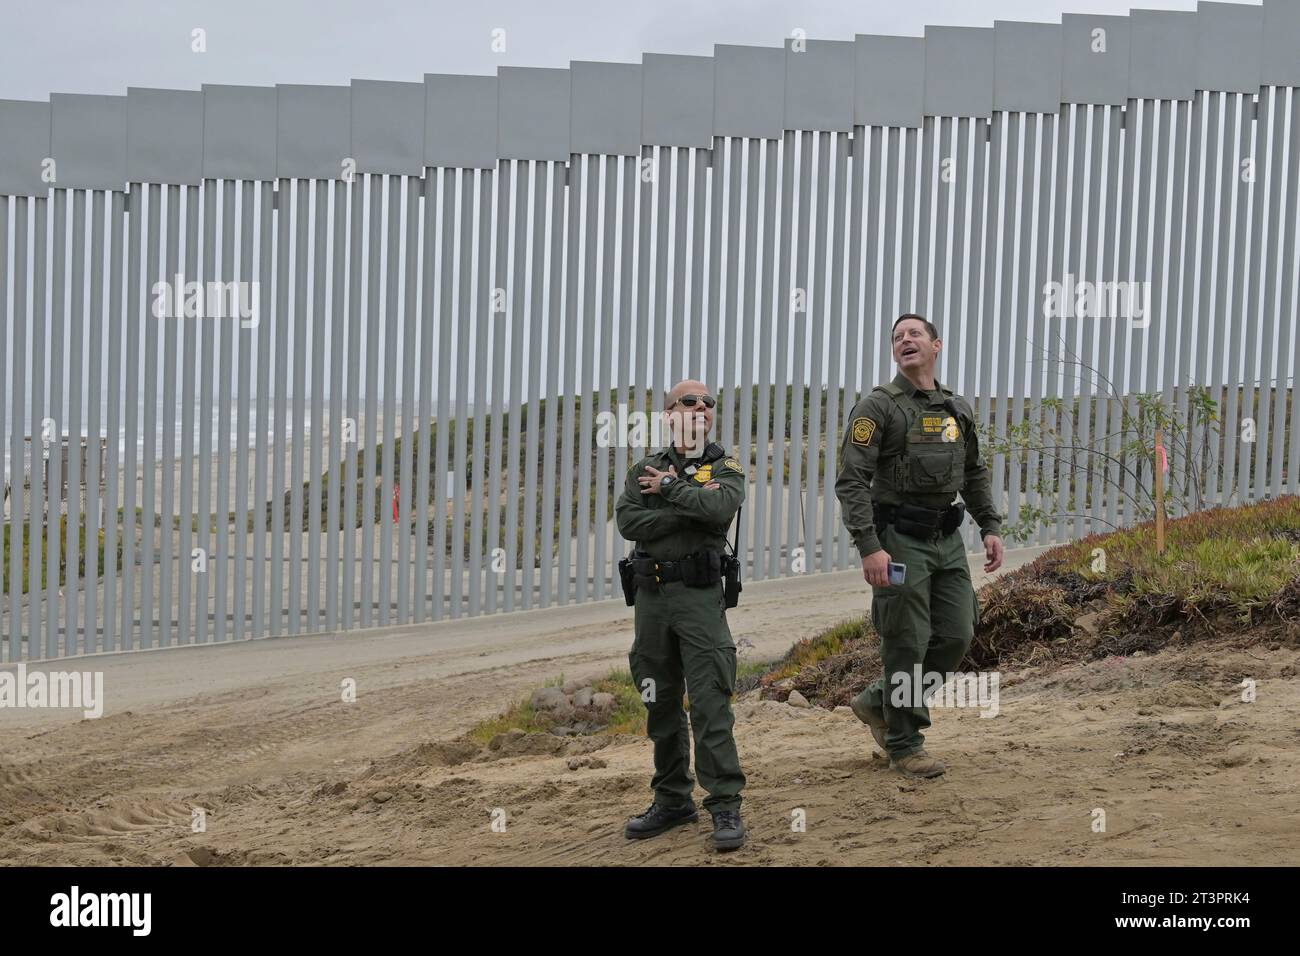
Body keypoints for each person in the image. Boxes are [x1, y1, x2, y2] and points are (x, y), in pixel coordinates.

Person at [835, 315, 1005, 778]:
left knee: (957, 633)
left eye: (914, 334)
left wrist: (989, 524)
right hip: (898, 542)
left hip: (946, 539)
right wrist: (869, 546)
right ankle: (905, 744)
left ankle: (877, 702)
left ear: (937, 344)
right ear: (894, 353)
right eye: (897, 337)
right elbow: (852, 481)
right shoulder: (878, 407)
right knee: (906, 642)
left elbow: (973, 472)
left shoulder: (957, 408)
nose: (905, 341)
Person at [614, 379, 747, 851]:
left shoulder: (723, 466)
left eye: (707, 403)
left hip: (698, 596)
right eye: (688, 401)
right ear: (669, 414)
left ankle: (726, 803)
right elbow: (629, 521)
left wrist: (670, 488)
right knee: (660, 699)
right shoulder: (642, 468)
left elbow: (720, 507)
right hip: (650, 599)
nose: (700, 407)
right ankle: (672, 799)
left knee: (710, 699)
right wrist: (686, 504)